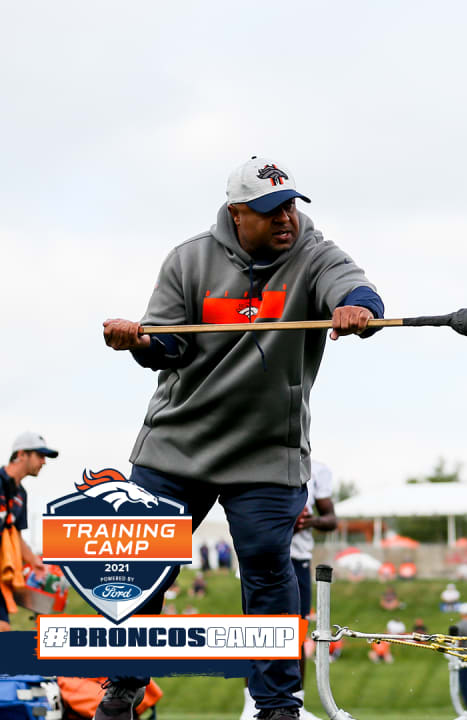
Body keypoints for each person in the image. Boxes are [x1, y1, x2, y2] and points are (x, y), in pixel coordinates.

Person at [98, 157, 385, 720]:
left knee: (266, 563)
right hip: (179, 443)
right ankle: (125, 683)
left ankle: (278, 704)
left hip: (266, 451)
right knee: (142, 561)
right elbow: (169, 348)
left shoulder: (313, 252)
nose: (286, 219)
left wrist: (357, 308)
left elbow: (354, 287)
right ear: (237, 214)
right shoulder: (189, 260)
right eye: (269, 211)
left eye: (291, 206)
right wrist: (137, 341)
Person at [240, 460, 336, 720]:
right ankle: (252, 702)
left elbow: (331, 519)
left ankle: (295, 701)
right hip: (259, 555)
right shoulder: (251, 461)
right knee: (255, 629)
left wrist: (309, 521)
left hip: (297, 558)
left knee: (297, 630)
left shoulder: (316, 469)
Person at [0, 432, 58, 629]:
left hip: (2, 573)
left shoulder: (20, 494)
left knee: (3, 628)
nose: (43, 462)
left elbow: (15, 534)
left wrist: (35, 562)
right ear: (22, 454)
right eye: (40, 455)